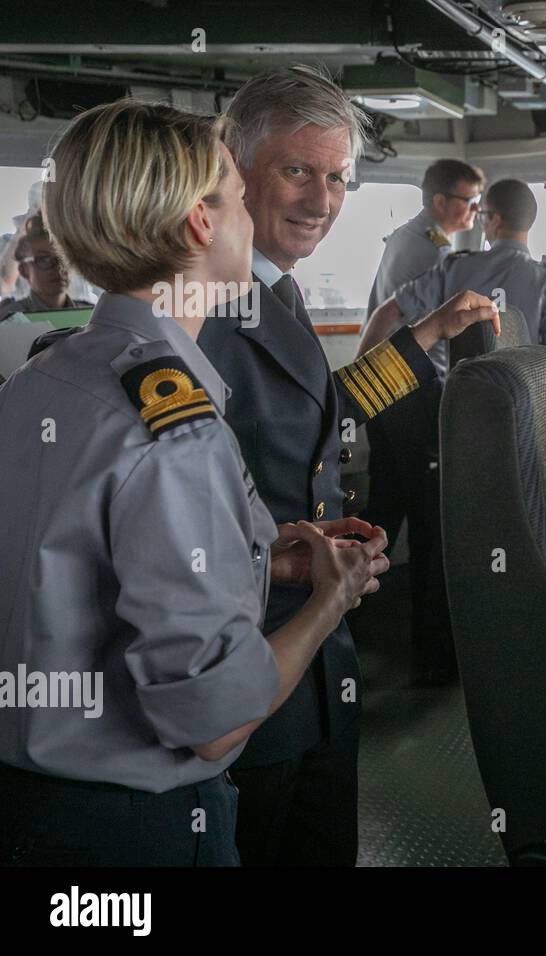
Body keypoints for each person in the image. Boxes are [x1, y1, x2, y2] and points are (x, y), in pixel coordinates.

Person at [0, 99, 384, 866]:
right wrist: (327, 600)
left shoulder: (41, 381)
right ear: (201, 225)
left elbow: (76, 574)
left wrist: (259, 559)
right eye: (239, 197)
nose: (248, 215)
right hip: (133, 829)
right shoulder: (175, 430)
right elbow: (215, 718)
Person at [196, 65, 498, 866]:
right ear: (234, 166)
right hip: (250, 655)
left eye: (336, 178)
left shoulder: (277, 292)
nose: (321, 201)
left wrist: (424, 336)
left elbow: (322, 409)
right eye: (297, 170)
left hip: (311, 650)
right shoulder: (198, 313)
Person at [360, 178, 546, 685]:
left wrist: (361, 385)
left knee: (426, 525)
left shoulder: (458, 269)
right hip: (513, 430)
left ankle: (422, 654)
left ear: (492, 220)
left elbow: (388, 313)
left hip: (440, 419)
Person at [361, 159, 484, 676]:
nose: (475, 212)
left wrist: (365, 383)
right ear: (440, 203)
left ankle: (350, 620)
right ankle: (432, 656)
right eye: (469, 201)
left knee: (385, 509)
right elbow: (393, 317)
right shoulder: (432, 250)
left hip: (389, 392)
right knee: (433, 520)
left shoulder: (404, 239)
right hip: (412, 390)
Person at [361, 177, 546, 370]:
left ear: (495, 220)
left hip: (459, 404)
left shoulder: (454, 268)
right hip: (523, 409)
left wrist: (357, 376)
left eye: (483, 215)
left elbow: (388, 311)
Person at [367, 158, 484, 315]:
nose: (477, 207)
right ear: (440, 202)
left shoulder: (404, 232)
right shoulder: (436, 253)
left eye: (477, 199)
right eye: (470, 200)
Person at [0, 213, 94, 322]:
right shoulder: (8, 318)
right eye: (45, 259)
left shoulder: (92, 316)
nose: (59, 268)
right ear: (24, 269)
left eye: (64, 258)